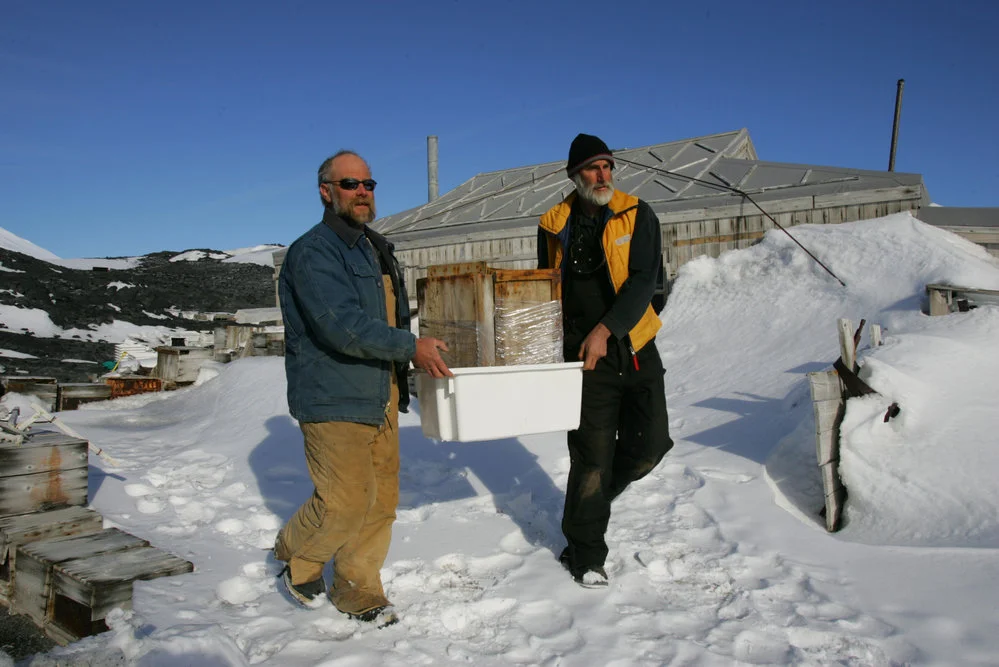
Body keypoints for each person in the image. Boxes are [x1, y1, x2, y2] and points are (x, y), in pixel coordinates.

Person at [274, 150, 452, 625]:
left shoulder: (374, 247)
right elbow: (341, 326)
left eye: (369, 184)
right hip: (332, 395)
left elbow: (387, 318)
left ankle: (357, 589)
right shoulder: (312, 252)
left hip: (381, 394)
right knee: (347, 501)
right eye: (350, 184)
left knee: (381, 503)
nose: (362, 193)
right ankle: (299, 560)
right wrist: (411, 347)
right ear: (325, 191)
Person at [537, 133, 674, 587]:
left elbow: (643, 282)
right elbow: (548, 289)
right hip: (585, 362)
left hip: (634, 349)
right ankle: (586, 556)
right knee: (592, 458)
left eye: (608, 166)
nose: (604, 176)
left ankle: (582, 513)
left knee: (651, 447)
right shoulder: (553, 224)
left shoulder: (638, 213)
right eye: (594, 168)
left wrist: (605, 331)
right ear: (575, 175)